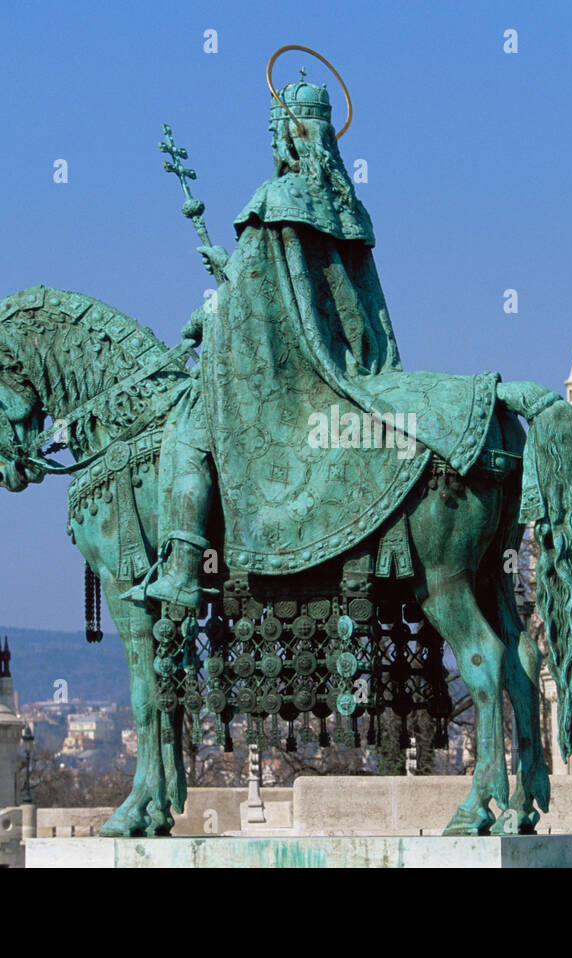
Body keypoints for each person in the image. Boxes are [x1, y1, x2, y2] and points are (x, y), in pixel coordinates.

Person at [145, 75, 501, 608]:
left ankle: (180, 570)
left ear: (287, 137)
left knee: (189, 431)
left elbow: (249, 307)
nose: (273, 148)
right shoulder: (348, 207)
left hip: (294, 376)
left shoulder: (276, 197)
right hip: (352, 364)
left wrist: (204, 317)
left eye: (275, 137)